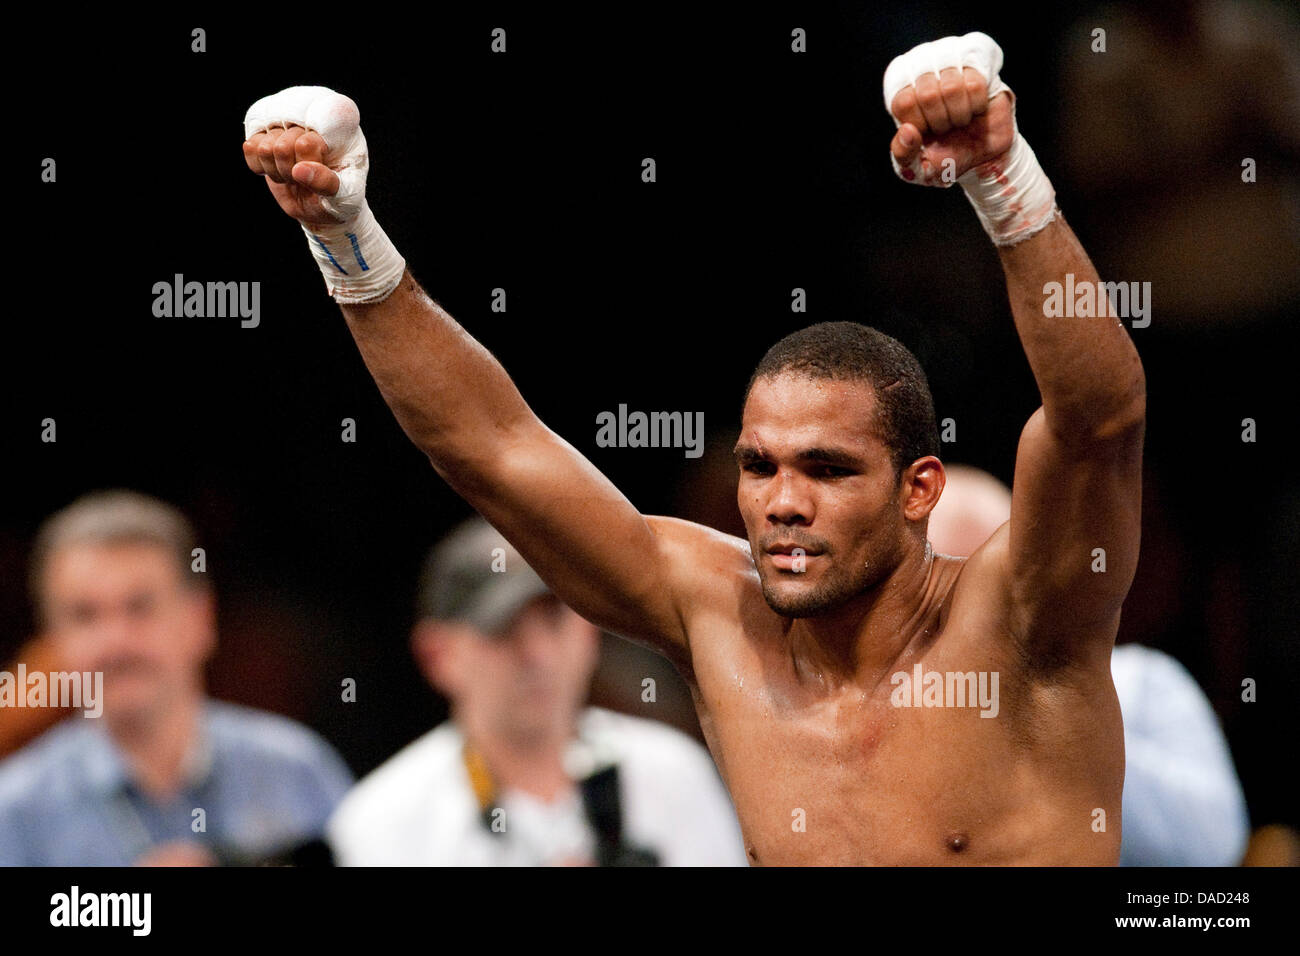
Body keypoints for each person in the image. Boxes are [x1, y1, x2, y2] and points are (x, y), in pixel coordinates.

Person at [242, 31, 1146, 864]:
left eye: (828, 469)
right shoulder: (720, 624)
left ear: (920, 490)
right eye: (760, 467)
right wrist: (345, 239)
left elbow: (1099, 419)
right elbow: (489, 448)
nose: (782, 501)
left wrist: (1002, 178)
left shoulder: (1025, 617)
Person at [328, 517, 747, 866]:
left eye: (554, 621)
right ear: (438, 656)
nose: (538, 656)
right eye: (503, 629)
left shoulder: (673, 775)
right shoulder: (381, 821)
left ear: (589, 632)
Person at [0, 490, 354, 866]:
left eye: (140, 607)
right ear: (51, 637)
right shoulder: (17, 812)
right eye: (85, 615)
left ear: (200, 618)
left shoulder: (297, 771)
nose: (116, 640)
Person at [929, 465, 1250, 866]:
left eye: (982, 579)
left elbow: (1213, 846)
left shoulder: (1139, 681)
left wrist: (1050, 716)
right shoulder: (864, 701)